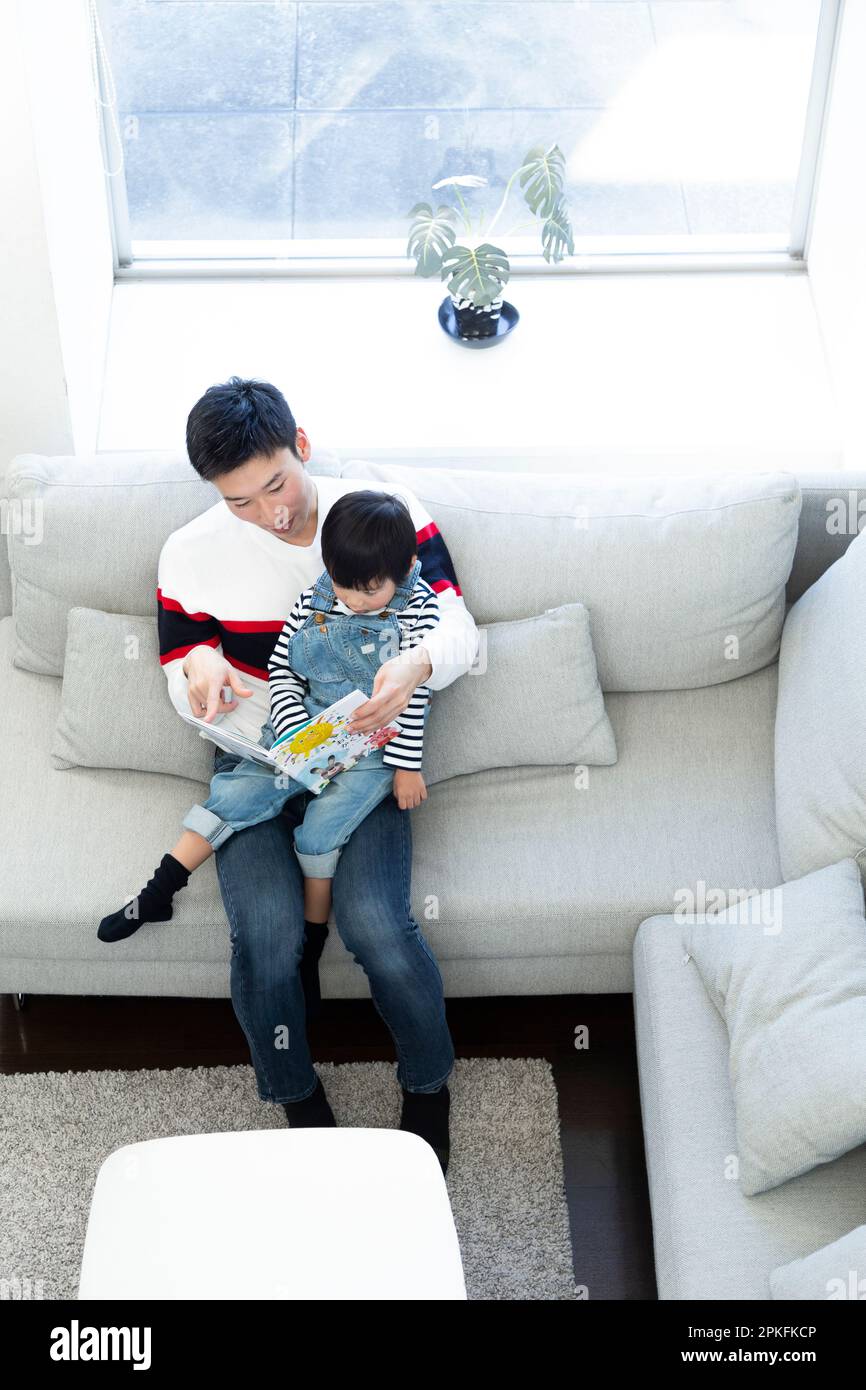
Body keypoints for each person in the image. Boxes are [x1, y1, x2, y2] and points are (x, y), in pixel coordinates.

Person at [104, 377, 477, 1172]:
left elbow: (456, 629)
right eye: (240, 500)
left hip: (357, 752)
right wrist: (201, 678)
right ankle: (295, 1094)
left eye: (276, 484)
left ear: (301, 444)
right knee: (268, 939)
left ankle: (429, 1082)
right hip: (253, 753)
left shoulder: (383, 513)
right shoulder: (189, 553)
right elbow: (183, 672)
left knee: (377, 923)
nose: (271, 513)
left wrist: (412, 668)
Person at [97, 490, 439, 949]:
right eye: (344, 584)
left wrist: (407, 766)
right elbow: (283, 667)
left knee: (320, 832)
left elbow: (413, 697)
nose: (356, 600)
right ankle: (158, 891)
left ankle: (313, 938)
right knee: (236, 794)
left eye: (371, 589)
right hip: (306, 731)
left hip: (372, 748)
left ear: (405, 568)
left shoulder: (420, 608)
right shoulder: (313, 598)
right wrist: (293, 725)